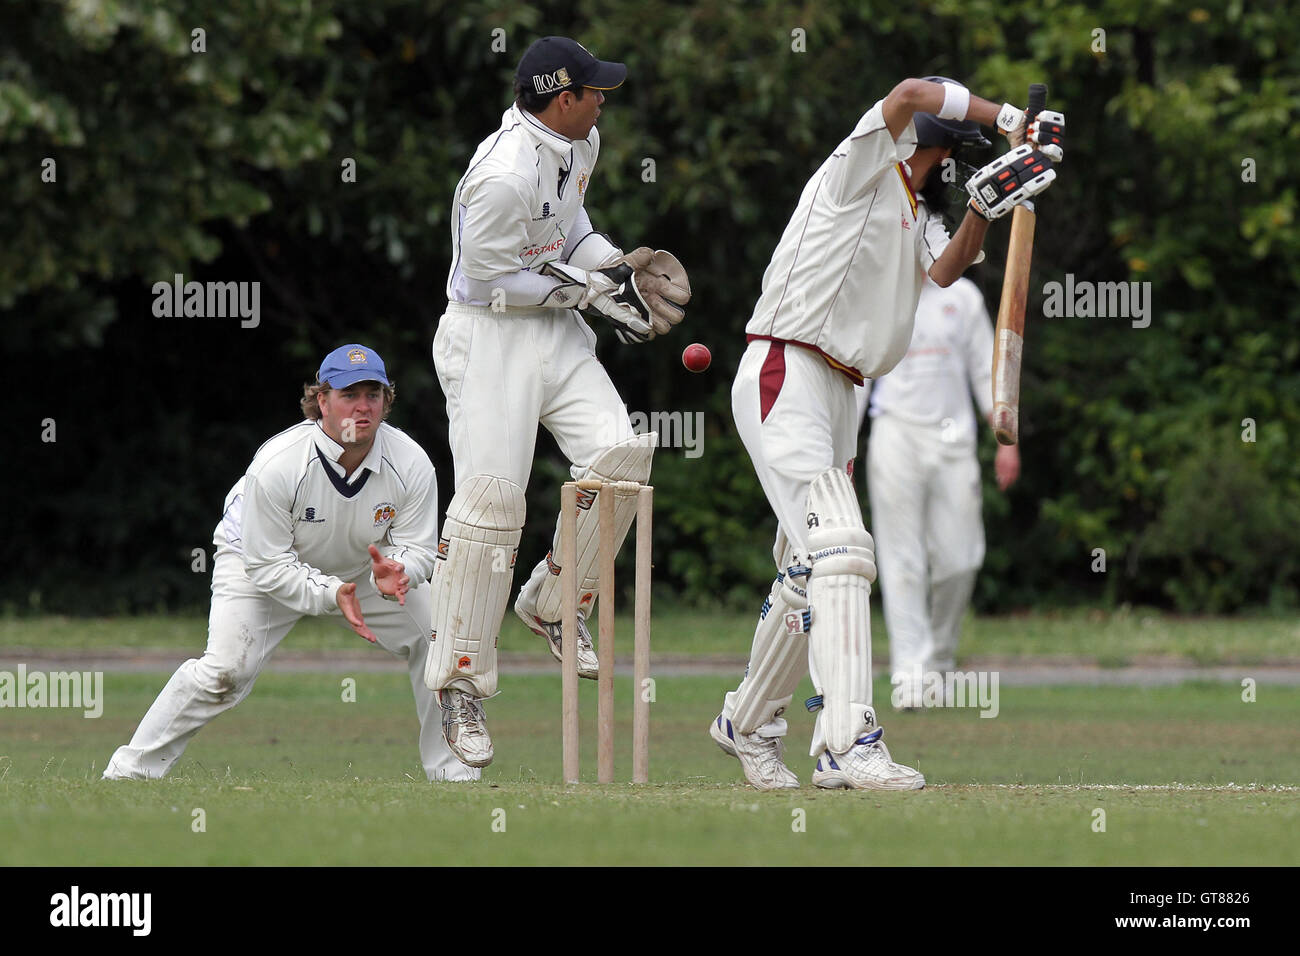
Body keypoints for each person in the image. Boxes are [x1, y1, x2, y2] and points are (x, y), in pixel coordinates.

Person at [711, 76, 1063, 790]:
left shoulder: (914, 210)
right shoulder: (864, 163)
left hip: (840, 390)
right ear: (931, 148)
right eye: (955, 160)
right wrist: (1012, 120)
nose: (957, 170)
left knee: (808, 570)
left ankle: (746, 722)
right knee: (843, 550)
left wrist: (987, 207)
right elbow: (909, 91)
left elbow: (948, 268)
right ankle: (847, 741)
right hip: (790, 366)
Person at [425, 36, 690, 770]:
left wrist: (614, 268)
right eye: (594, 91)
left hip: (553, 330)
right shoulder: (500, 178)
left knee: (622, 460)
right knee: (489, 507)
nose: (604, 101)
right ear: (559, 97)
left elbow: (570, 228)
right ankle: (461, 685)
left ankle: (553, 598)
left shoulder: (583, 143)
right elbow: (487, 284)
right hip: (488, 337)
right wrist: (593, 293)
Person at [103, 344, 476, 782]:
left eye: (372, 394)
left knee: (439, 635)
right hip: (259, 566)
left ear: (386, 401)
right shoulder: (279, 464)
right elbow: (266, 565)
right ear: (322, 401)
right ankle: (130, 771)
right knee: (226, 671)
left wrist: (400, 570)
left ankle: (454, 775)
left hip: (361, 572)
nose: (362, 406)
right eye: (348, 394)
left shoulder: (411, 462)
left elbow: (418, 549)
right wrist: (329, 594)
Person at [858, 275, 1020, 710]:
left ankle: (940, 662)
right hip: (895, 433)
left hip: (953, 440)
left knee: (961, 558)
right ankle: (910, 675)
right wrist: (843, 446)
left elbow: (987, 369)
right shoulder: (880, 291)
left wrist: (1007, 439)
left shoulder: (962, 297)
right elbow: (859, 375)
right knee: (902, 560)